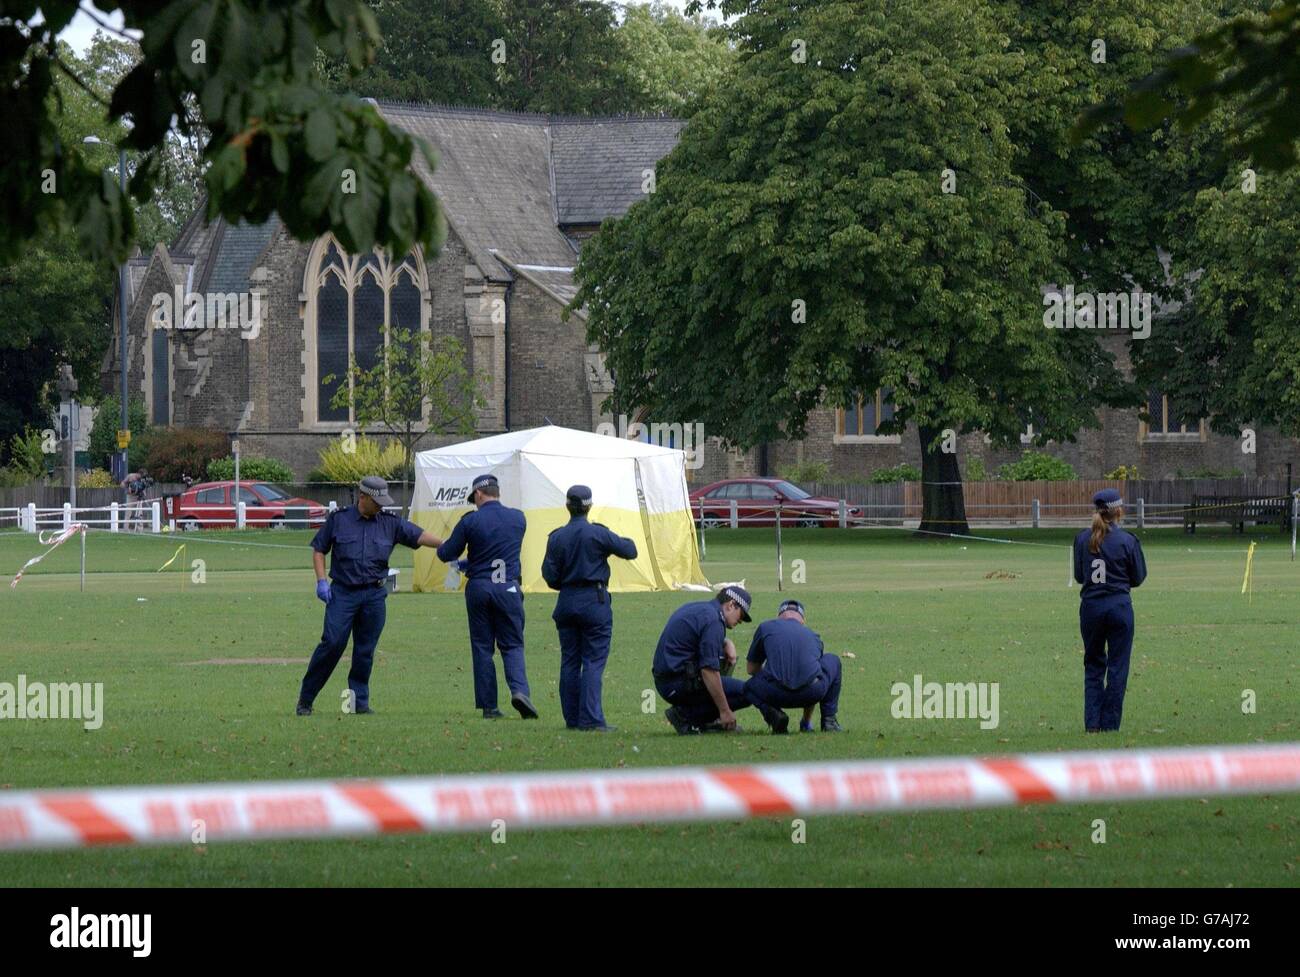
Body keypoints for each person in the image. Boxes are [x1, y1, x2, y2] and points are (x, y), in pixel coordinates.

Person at [297, 476, 443, 716]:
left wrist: (449, 545)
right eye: (377, 502)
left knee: (364, 651)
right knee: (332, 644)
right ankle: (306, 698)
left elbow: (420, 536)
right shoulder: (339, 519)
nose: (381, 506)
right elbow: (319, 550)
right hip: (342, 593)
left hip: (375, 594)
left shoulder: (390, 523)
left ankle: (358, 703)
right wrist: (321, 581)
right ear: (362, 497)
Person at [437, 473, 539, 720]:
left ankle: (489, 707)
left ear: (479, 494)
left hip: (480, 588)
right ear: (498, 493)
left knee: (483, 647)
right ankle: (519, 691)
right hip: (508, 587)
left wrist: (454, 556)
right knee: (513, 644)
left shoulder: (470, 521)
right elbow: (500, 549)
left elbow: (447, 553)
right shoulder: (518, 519)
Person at [542, 484, 638, 732]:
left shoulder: (556, 537)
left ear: (567, 507)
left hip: (566, 600)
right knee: (593, 661)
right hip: (593, 601)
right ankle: (592, 719)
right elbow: (630, 550)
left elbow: (550, 576)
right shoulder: (597, 534)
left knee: (569, 661)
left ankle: (572, 719)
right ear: (589, 506)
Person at [1073, 488, 1147, 732]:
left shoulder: (1082, 539)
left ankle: (1092, 723)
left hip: (1092, 608)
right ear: (1118, 511)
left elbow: (1080, 575)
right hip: (1119, 606)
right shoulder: (1127, 540)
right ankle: (1110, 725)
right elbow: (1138, 577)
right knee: (1118, 667)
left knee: (1093, 664)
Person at [652, 587, 754, 734]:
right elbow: (708, 670)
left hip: (667, 681)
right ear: (731, 605)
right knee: (748, 692)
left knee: (721, 667)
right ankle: (686, 716)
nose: (741, 621)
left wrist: (725, 642)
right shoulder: (714, 621)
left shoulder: (702, 609)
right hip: (677, 683)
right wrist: (725, 711)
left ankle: (695, 717)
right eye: (741, 614)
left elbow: (696, 638)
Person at [743, 599, 844, 734]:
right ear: (802, 620)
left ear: (779, 616)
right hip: (812, 693)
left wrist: (770, 673)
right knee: (831, 661)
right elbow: (814, 673)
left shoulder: (765, 627)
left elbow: (751, 669)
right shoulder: (814, 636)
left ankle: (775, 715)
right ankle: (828, 720)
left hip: (775, 693)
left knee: (748, 687)